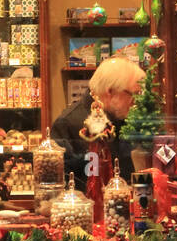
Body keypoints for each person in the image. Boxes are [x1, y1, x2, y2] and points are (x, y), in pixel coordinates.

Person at [51, 56, 146, 188]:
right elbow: (60, 188)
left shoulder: (125, 119)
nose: (136, 101)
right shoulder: (67, 124)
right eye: (133, 94)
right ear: (110, 91)